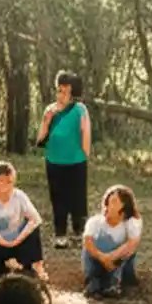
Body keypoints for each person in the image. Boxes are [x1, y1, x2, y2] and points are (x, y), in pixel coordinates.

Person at [37, 70, 91, 249]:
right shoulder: (50, 110)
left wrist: (85, 156)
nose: (61, 95)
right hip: (54, 161)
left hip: (76, 161)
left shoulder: (80, 109)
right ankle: (60, 233)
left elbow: (86, 134)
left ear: (73, 93)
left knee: (77, 198)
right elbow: (40, 139)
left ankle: (79, 232)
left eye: (65, 91)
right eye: (59, 90)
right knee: (58, 198)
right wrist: (47, 120)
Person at [0, 161, 49, 280]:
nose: (6, 185)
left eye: (9, 181)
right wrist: (8, 244)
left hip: (17, 239)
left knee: (33, 230)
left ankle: (37, 266)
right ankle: (8, 263)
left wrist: (17, 240)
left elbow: (35, 219)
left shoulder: (19, 196)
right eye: (2, 181)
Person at [82, 185, 142, 298]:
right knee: (94, 247)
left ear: (123, 206)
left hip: (119, 260)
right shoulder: (95, 222)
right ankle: (93, 283)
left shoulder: (131, 222)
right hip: (98, 258)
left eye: (114, 202)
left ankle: (114, 283)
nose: (109, 205)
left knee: (127, 252)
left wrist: (111, 257)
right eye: (108, 201)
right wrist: (102, 257)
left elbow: (132, 244)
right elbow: (87, 242)